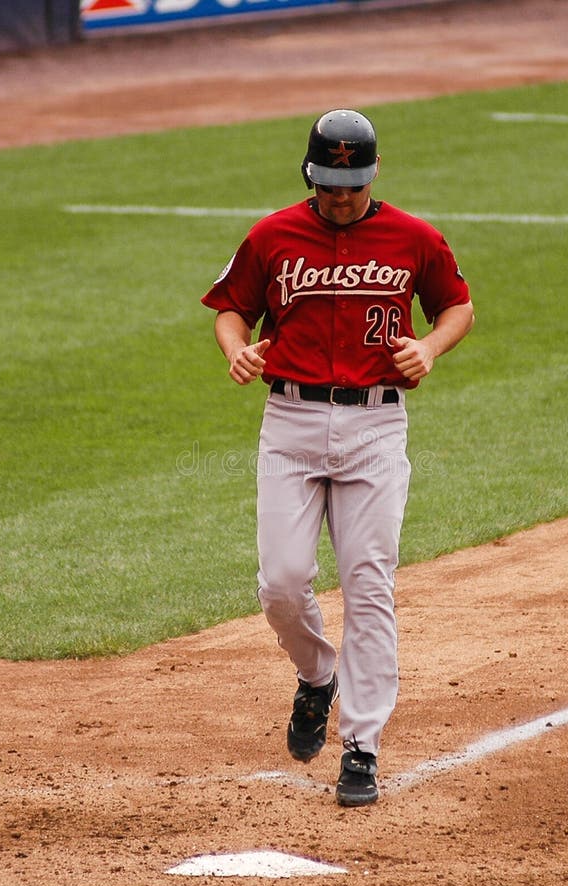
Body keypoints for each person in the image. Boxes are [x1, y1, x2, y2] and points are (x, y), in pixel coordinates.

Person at [201, 109, 474, 807]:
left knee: (368, 583)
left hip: (375, 426)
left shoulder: (415, 237)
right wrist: (238, 351)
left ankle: (362, 746)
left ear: (373, 174)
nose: (340, 197)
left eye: (352, 186)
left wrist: (429, 347)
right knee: (282, 583)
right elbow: (231, 309)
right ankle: (318, 676)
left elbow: (457, 307)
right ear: (309, 175)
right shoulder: (272, 235)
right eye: (328, 185)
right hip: (290, 421)